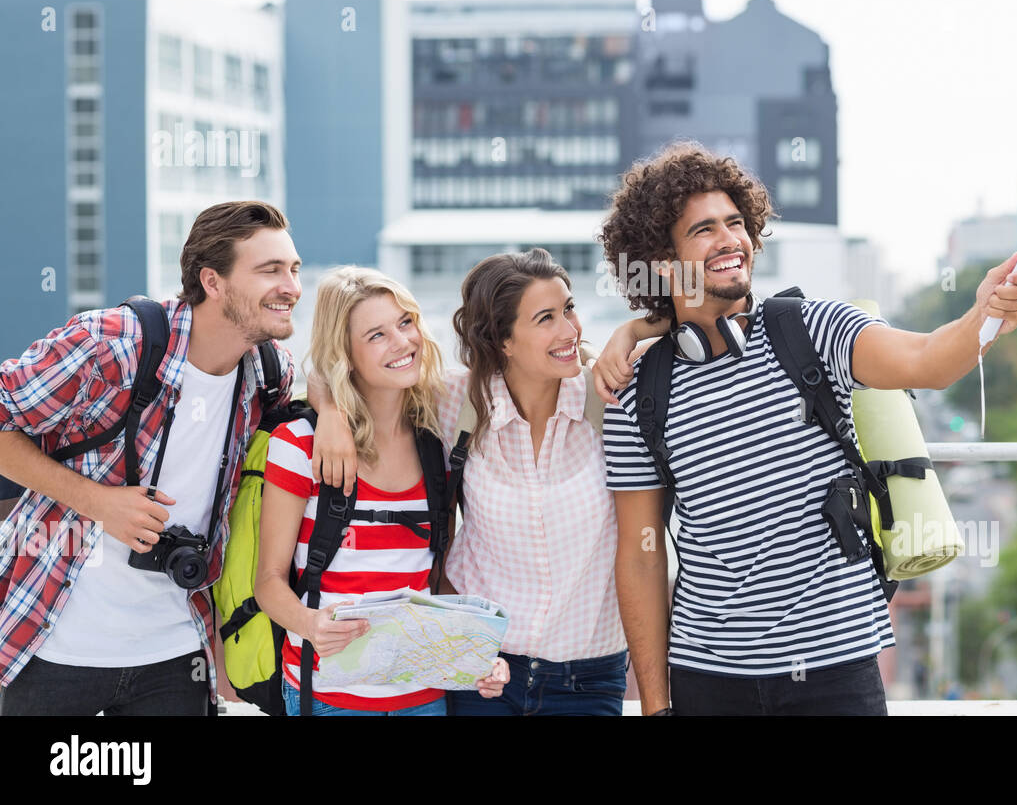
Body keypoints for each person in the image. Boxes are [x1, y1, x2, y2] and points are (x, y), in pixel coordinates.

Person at [593, 142, 1017, 716]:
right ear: (660, 261)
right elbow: (640, 555)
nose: (730, 240)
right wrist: (656, 706)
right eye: (704, 230)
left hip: (836, 670)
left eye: (736, 223)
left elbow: (928, 358)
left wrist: (984, 314)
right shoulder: (638, 392)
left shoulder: (814, 329)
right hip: (708, 678)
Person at [0, 201, 299, 716]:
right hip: (53, 640)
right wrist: (100, 503)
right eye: (269, 270)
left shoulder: (269, 373)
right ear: (214, 281)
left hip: (178, 652)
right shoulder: (111, 343)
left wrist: (335, 414)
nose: (291, 286)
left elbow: (341, 387)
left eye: (293, 269)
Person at [312, 249, 628, 715]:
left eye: (569, 309)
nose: (569, 329)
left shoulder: (609, 403)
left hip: (589, 675)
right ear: (503, 340)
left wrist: (630, 330)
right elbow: (338, 370)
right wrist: (331, 413)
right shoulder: (455, 401)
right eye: (546, 318)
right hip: (478, 665)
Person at [256, 266, 507, 716]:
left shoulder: (440, 441)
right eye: (376, 335)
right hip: (328, 698)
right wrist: (310, 625)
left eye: (405, 322)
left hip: (423, 698)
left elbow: (433, 577)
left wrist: (474, 659)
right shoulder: (300, 445)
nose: (402, 342)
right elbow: (269, 584)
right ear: (345, 355)